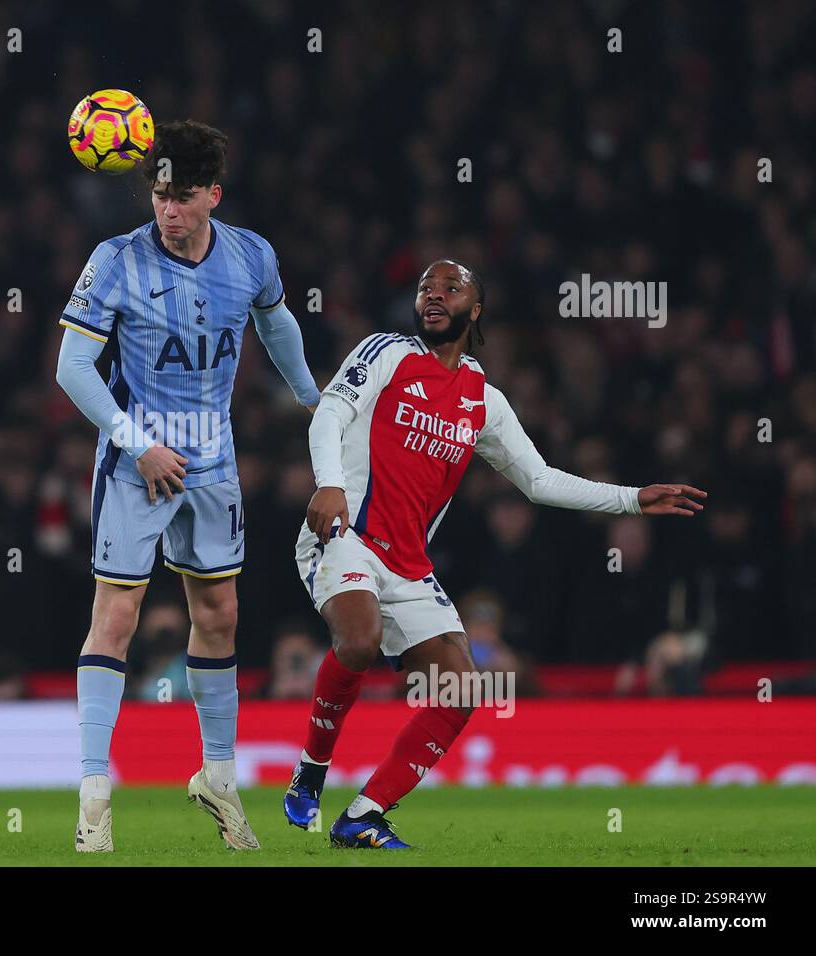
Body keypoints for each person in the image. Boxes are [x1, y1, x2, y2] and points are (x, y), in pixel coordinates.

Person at [285, 259, 707, 849]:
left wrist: (632, 499)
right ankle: (312, 767)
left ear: (475, 309)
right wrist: (329, 482)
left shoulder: (483, 398)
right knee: (358, 637)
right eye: (425, 288)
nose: (433, 296)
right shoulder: (386, 352)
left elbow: (538, 480)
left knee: (462, 690)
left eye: (450, 289)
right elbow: (331, 412)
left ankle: (363, 816)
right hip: (345, 534)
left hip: (408, 563)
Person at [55, 120, 320, 852]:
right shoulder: (113, 261)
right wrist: (137, 447)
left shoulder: (251, 256)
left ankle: (219, 776)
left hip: (214, 461)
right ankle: (94, 792)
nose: (167, 210)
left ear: (212, 194)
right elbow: (71, 370)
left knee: (222, 614)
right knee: (117, 615)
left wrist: (309, 396)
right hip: (137, 462)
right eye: (158, 194)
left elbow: (277, 325)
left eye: (181, 197)